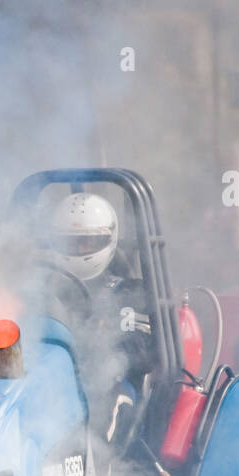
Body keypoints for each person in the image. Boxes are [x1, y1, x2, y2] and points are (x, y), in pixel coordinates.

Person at [47, 192, 152, 454]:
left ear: (107, 240)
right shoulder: (45, 290)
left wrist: (102, 345)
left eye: (88, 242)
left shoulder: (130, 293)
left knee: (107, 402)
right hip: (54, 381)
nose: (80, 250)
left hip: (114, 386)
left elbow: (142, 353)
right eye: (71, 243)